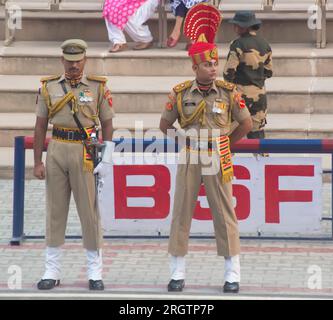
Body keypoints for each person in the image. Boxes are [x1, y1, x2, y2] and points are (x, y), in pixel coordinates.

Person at [159, 4, 252, 293]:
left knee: (224, 213)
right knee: (181, 212)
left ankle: (232, 274)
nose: (213, 68)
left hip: (218, 154)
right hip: (190, 154)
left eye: (215, 63)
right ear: (195, 66)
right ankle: (177, 274)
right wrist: (182, 141)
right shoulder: (179, 93)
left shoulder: (227, 92)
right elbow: (165, 126)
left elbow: (246, 124)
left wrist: (226, 143)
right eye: (207, 64)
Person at [33, 39, 116, 290]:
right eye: (69, 62)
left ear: (85, 60)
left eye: (78, 61)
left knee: (89, 212)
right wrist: (37, 161)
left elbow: (108, 122)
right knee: (55, 211)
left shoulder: (97, 87)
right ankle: (52, 269)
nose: (73, 66)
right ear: (62, 61)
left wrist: (107, 155)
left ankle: (94, 271)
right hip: (57, 147)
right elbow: (39, 125)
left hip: (85, 150)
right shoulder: (48, 87)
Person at [223, 11, 273, 143]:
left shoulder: (238, 44)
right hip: (260, 95)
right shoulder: (265, 44)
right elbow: (269, 71)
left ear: (243, 27)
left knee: (230, 134)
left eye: (236, 25)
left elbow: (228, 72)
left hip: (239, 94)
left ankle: (227, 162)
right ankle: (261, 161)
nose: (234, 28)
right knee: (257, 135)